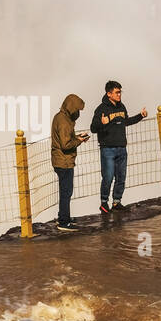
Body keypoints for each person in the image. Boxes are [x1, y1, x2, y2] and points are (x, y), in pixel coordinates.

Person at [89, 80, 147, 214]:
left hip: (121, 147)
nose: (119, 95)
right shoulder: (101, 109)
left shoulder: (122, 107)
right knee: (108, 177)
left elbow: (126, 121)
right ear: (109, 94)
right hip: (107, 149)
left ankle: (117, 202)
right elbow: (93, 128)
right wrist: (102, 123)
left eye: (120, 92)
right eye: (117, 92)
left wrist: (140, 116)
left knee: (121, 176)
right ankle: (104, 203)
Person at [51, 94, 90, 231]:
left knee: (65, 191)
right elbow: (66, 145)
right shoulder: (64, 122)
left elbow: (66, 139)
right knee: (66, 192)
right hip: (64, 161)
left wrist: (78, 137)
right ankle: (63, 222)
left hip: (61, 160)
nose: (78, 113)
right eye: (77, 110)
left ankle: (64, 216)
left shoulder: (61, 117)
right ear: (72, 108)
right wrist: (78, 140)